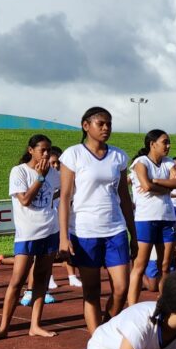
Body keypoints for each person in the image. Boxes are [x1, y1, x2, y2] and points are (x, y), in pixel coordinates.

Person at [59, 107, 136, 332]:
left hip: (116, 228)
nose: (106, 128)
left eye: (109, 124)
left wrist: (134, 233)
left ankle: (105, 330)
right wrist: (64, 237)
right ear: (86, 126)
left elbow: (124, 196)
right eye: (100, 124)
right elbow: (64, 197)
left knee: (122, 288)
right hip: (84, 231)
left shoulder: (118, 156)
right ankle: (96, 342)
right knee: (91, 292)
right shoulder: (73, 154)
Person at [0, 135, 63, 342]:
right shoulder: (18, 171)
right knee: (17, 281)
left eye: (49, 150)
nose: (46, 154)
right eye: (42, 150)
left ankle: (35, 324)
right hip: (28, 233)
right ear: (31, 150)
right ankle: (3, 327)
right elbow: (26, 200)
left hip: (50, 230)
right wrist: (41, 177)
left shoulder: (53, 173)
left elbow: (65, 189)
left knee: (42, 278)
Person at [129, 131, 176, 304]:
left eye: (169, 142)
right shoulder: (140, 162)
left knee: (166, 265)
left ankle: (164, 303)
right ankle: (132, 305)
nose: (168, 146)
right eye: (165, 142)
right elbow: (145, 185)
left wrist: (157, 182)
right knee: (140, 264)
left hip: (167, 218)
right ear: (152, 144)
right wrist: (165, 188)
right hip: (146, 218)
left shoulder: (168, 162)